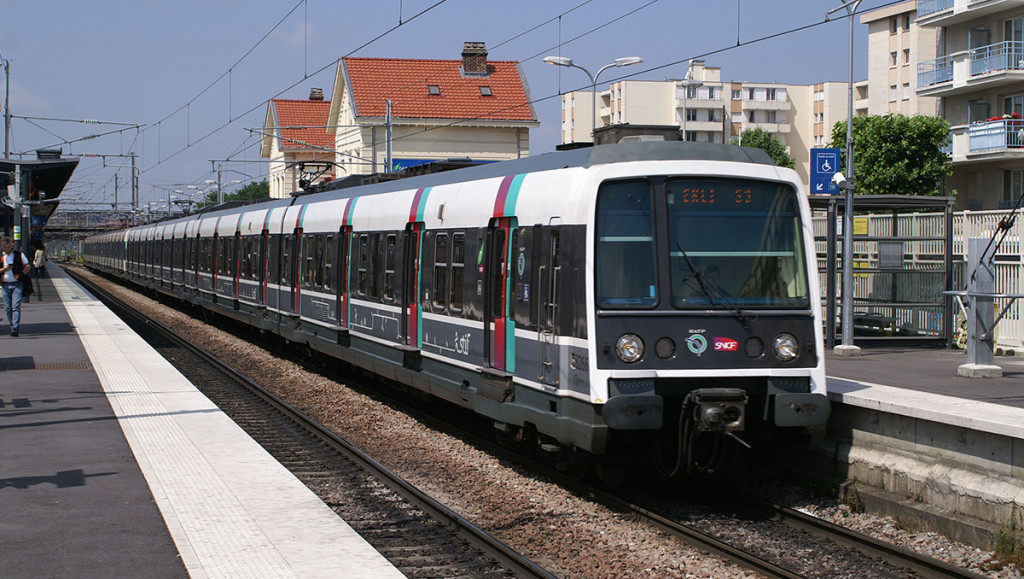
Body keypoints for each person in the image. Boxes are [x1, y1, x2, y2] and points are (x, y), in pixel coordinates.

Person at [1, 237, 30, 337]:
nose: (7, 249)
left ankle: (15, 327)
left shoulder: (19, 254)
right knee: (8, 308)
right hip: (5, 284)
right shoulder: (1, 257)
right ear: (2, 247)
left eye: (8, 247)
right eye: (5, 247)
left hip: (17, 283)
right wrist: (4, 269)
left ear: (12, 245)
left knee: (16, 306)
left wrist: (22, 274)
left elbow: (27, 265)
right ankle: (11, 325)